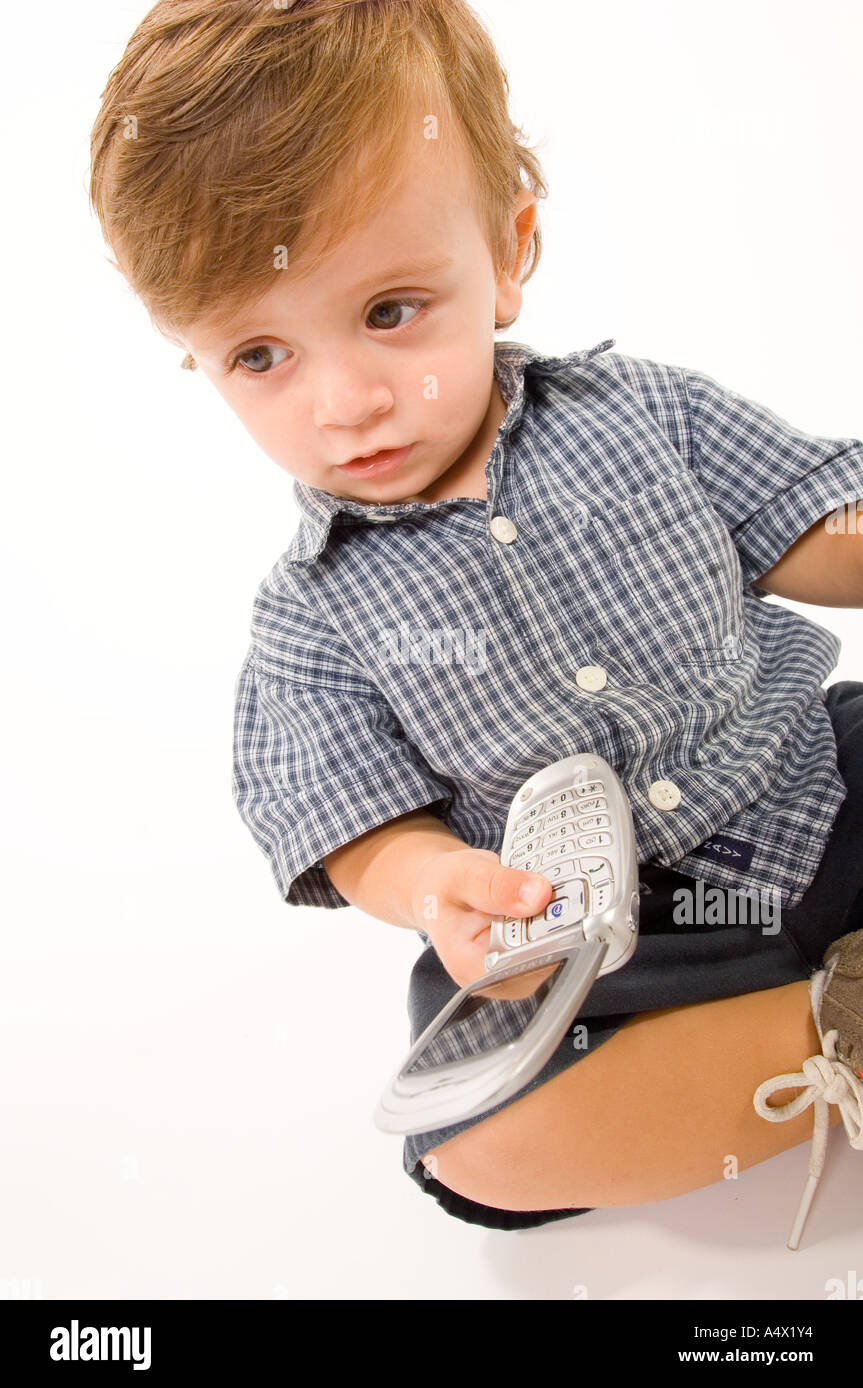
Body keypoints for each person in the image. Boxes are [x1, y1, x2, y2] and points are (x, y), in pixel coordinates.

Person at [88, 0, 863, 1247]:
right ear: (197, 358)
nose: (347, 401)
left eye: (390, 311)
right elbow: (356, 827)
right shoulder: (310, 625)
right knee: (479, 1150)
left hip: (816, 780)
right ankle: (828, 1032)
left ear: (507, 252)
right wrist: (434, 880)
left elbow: (806, 520)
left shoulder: (644, 417)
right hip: (623, 932)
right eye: (260, 356)